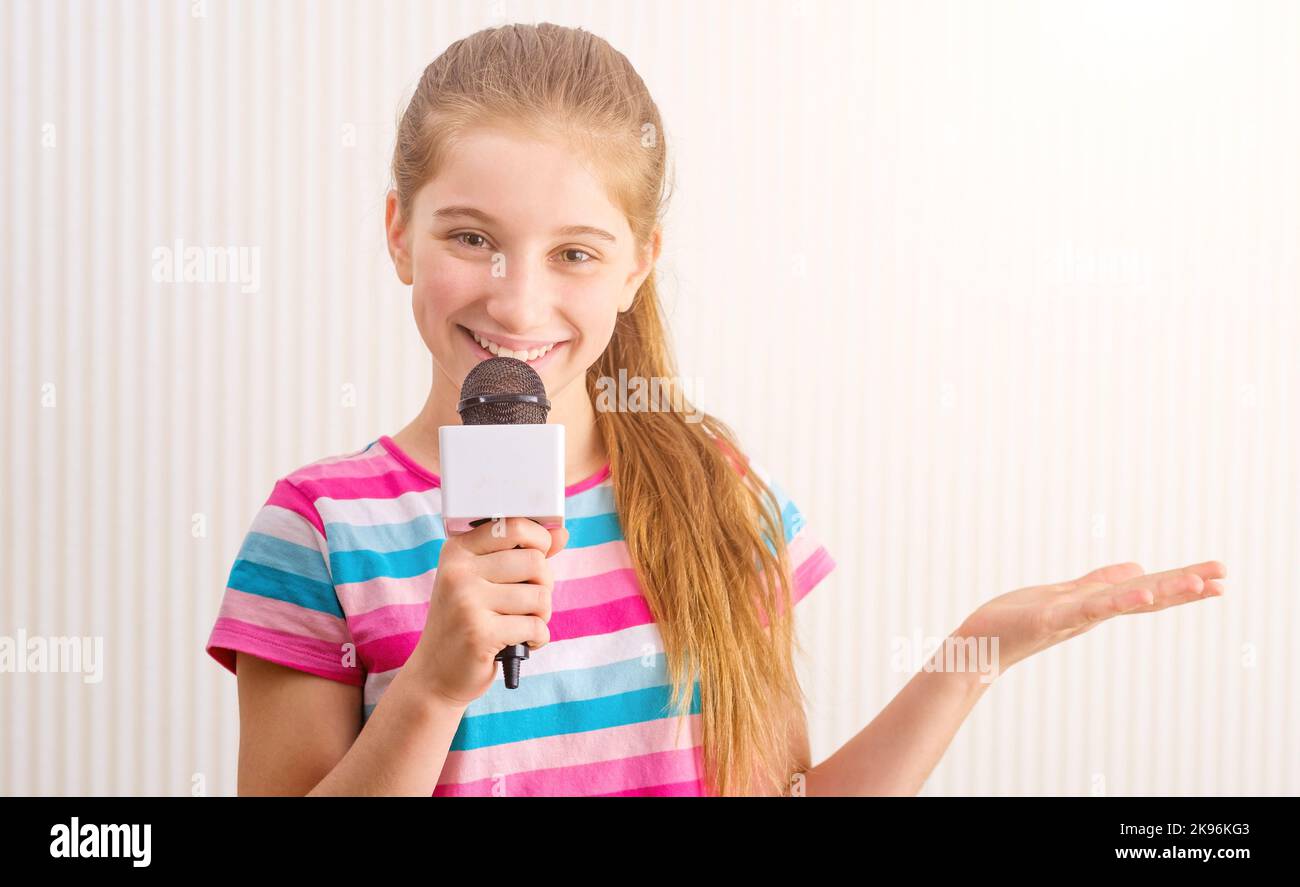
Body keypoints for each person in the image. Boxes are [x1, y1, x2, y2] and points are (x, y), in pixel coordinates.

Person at [204, 22, 1226, 797]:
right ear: (397, 232)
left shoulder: (714, 492)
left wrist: (971, 656)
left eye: (574, 252)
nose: (516, 301)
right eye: (470, 237)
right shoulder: (319, 528)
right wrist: (430, 688)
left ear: (636, 266)